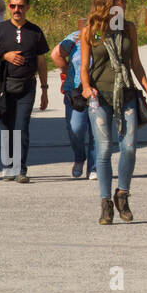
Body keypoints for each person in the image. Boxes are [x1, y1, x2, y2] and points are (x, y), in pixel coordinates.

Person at [80, 0, 147, 224]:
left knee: (130, 147)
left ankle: (122, 194)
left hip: (126, 93)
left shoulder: (129, 29)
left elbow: (135, 63)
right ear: (108, 2)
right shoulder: (90, 31)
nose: (126, 2)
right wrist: (85, 87)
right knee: (103, 150)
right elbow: (84, 67)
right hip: (99, 96)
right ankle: (105, 203)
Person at [0, 0, 49, 182]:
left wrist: (44, 89)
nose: (16, 10)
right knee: (7, 127)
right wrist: (4, 55)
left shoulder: (35, 31)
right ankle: (8, 165)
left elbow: (42, 62)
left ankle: (21, 169)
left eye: (20, 6)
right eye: (12, 6)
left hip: (27, 85)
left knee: (22, 126)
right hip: (4, 86)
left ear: (27, 7)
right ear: (9, 7)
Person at [52, 18, 96, 179]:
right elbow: (55, 54)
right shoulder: (74, 38)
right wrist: (67, 71)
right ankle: (79, 157)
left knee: (97, 131)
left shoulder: (102, 38)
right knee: (75, 128)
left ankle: (95, 167)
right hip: (75, 90)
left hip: (97, 90)